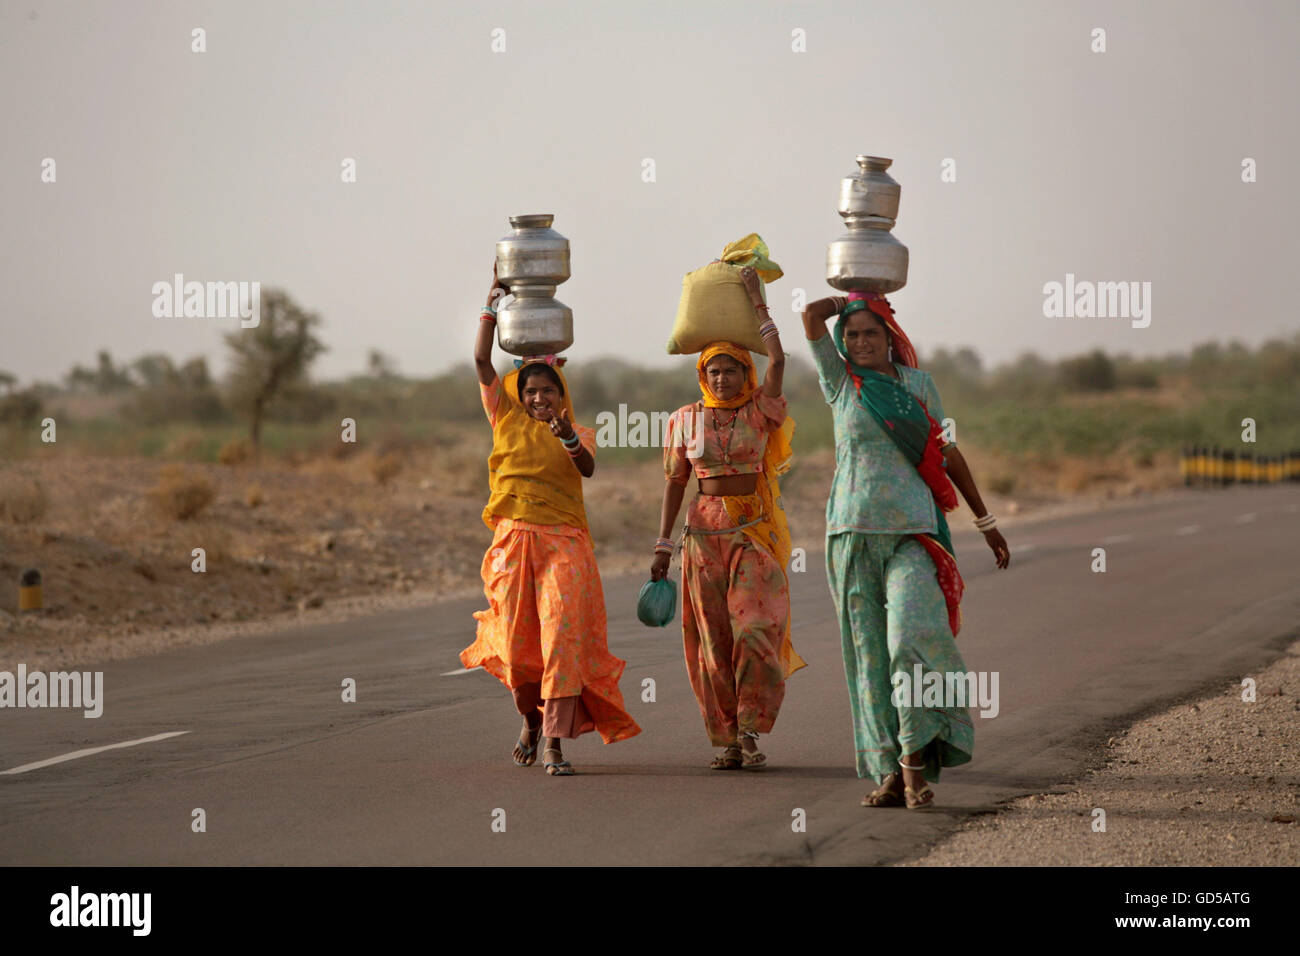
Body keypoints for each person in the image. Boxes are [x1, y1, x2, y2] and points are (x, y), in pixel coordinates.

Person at [802, 291, 1010, 809]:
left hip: (913, 532)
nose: (860, 341)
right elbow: (809, 317)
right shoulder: (840, 382)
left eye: (871, 332)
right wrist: (848, 294)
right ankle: (890, 771)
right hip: (850, 534)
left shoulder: (919, 386)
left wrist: (985, 521)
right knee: (869, 659)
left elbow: (948, 449)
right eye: (851, 334)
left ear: (890, 337)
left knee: (909, 640)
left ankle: (916, 762)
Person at [461, 264, 640, 776]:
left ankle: (555, 744)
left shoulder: (576, 430)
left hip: (564, 543)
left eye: (549, 391)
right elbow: (480, 357)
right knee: (520, 651)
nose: (539, 398)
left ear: (562, 395)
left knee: (560, 637)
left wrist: (564, 434)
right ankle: (530, 720)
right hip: (513, 541)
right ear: (520, 395)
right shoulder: (505, 415)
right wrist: (491, 302)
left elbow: (587, 466)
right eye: (531, 391)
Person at [651, 265, 805, 770]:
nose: (722, 377)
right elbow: (675, 482)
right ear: (703, 374)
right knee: (713, 642)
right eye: (713, 370)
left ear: (746, 374)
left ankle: (750, 723)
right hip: (701, 534)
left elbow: (779, 357)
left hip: (751, 530)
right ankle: (731, 740)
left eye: (731, 369)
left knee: (756, 629)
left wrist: (757, 302)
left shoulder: (761, 410)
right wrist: (662, 544)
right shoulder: (683, 419)